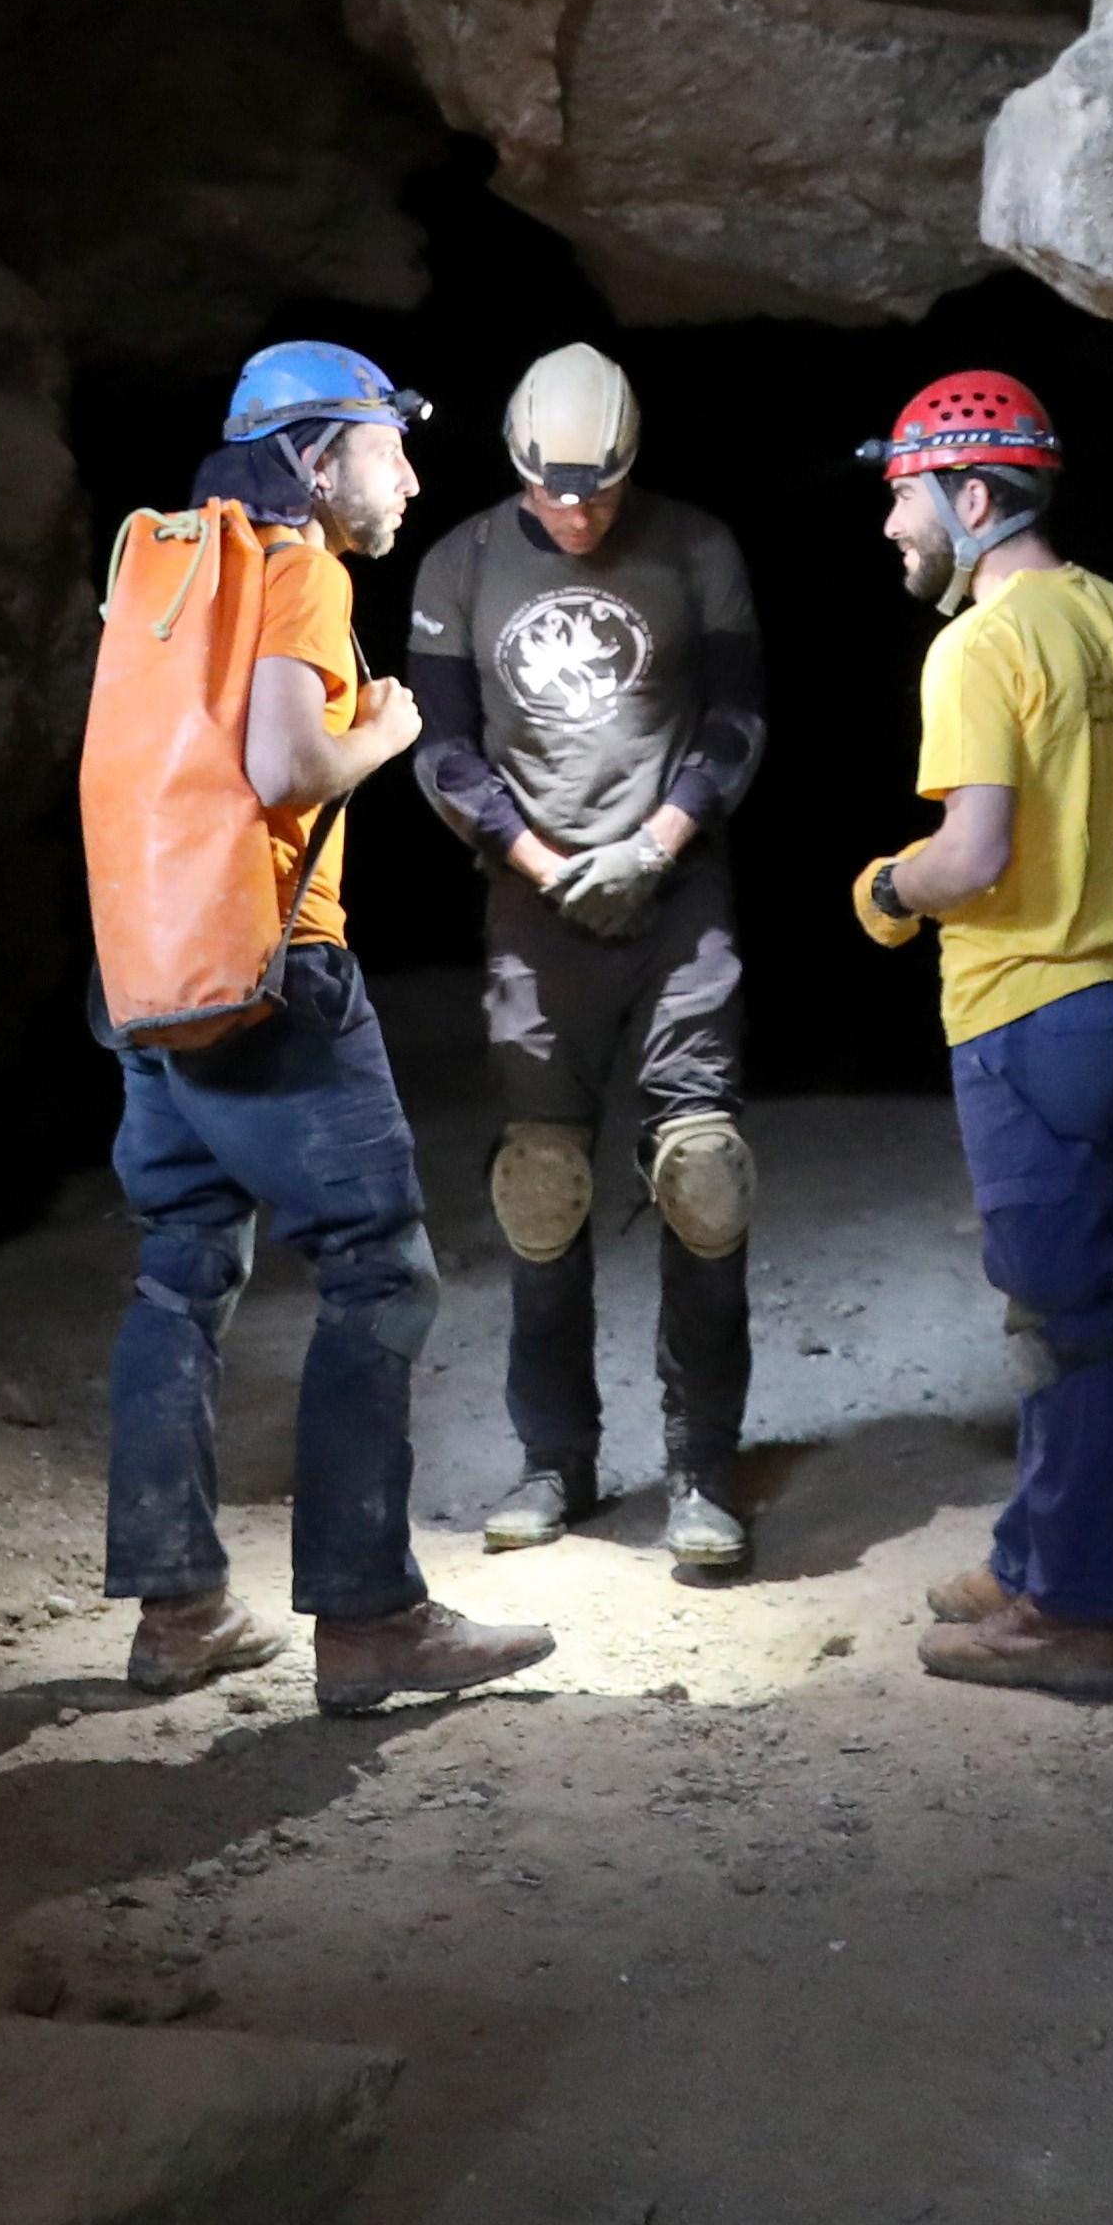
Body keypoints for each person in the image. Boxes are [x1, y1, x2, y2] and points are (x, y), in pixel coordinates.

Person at [98, 340, 559, 1718]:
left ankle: (180, 1611)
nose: (408, 479)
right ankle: (370, 1620)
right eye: (387, 448)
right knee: (380, 1270)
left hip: (149, 970)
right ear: (313, 456)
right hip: (274, 966)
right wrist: (391, 729)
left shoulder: (167, 570)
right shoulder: (298, 569)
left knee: (179, 1273)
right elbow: (288, 763)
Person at [404, 342, 771, 1581]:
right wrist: (541, 860)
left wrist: (657, 844)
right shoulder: (460, 564)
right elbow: (443, 747)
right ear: (518, 466)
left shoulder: (696, 546)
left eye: (600, 495)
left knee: (704, 1176)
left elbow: (735, 719)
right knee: (543, 1183)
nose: (576, 515)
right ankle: (554, 1459)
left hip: (677, 894)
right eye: (555, 495)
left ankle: (703, 1468)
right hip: (535, 901)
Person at [848, 368, 1113, 1701]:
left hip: (1032, 1013)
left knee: (1063, 1325)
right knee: (1064, 1300)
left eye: (905, 499)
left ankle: (1074, 1618)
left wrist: (886, 888)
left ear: (974, 499)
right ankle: (1031, 1557)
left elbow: (972, 855)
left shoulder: (979, 647)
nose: (893, 527)